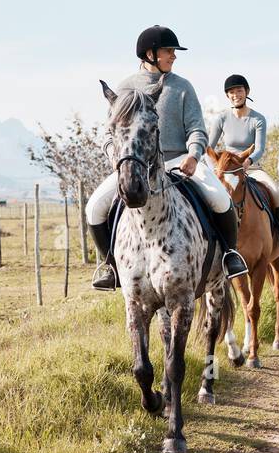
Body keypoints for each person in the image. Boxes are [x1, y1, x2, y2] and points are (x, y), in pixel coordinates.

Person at [85, 26, 249, 289]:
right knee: (94, 207)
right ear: (150, 54)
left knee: (220, 198)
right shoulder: (125, 88)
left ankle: (230, 255)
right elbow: (109, 133)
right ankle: (110, 266)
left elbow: (197, 128)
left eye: (173, 52)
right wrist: (117, 159)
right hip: (134, 165)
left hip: (179, 161)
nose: (173, 56)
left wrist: (194, 156)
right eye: (168, 51)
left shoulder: (182, 87)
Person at [207, 73, 279, 256]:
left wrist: (248, 161)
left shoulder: (258, 119)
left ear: (246, 92)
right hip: (228, 169)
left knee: (275, 192)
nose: (235, 94)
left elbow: (259, 148)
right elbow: (209, 146)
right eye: (231, 92)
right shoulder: (221, 118)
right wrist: (216, 166)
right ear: (227, 95)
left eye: (239, 90)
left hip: (251, 167)